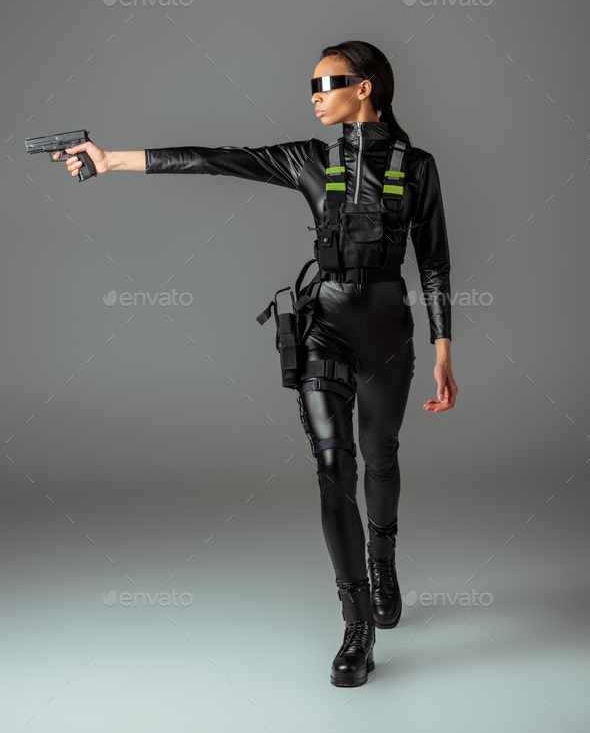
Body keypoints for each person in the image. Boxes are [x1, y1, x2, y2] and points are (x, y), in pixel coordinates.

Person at [53, 39, 458, 687]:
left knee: (379, 456)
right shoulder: (307, 159)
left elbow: (434, 261)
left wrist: (443, 348)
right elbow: (217, 159)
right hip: (323, 326)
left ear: (367, 88)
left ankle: (383, 563)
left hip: (388, 330)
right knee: (334, 468)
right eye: (312, 83)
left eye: (330, 82)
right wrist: (109, 160)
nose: (315, 93)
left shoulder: (418, 167)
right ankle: (356, 627)